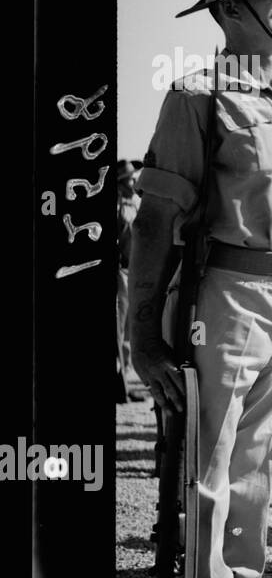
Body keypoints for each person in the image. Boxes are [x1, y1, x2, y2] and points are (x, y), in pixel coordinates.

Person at [130, 0, 272, 578]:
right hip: (227, 295)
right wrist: (142, 336)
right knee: (206, 459)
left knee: (259, 457)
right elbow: (155, 220)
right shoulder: (197, 98)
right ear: (232, 8)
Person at [116, 159, 148, 405]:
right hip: (120, 272)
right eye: (129, 178)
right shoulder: (117, 204)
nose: (134, 180)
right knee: (118, 332)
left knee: (128, 332)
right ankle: (119, 387)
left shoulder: (135, 203)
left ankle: (123, 385)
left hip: (134, 271)